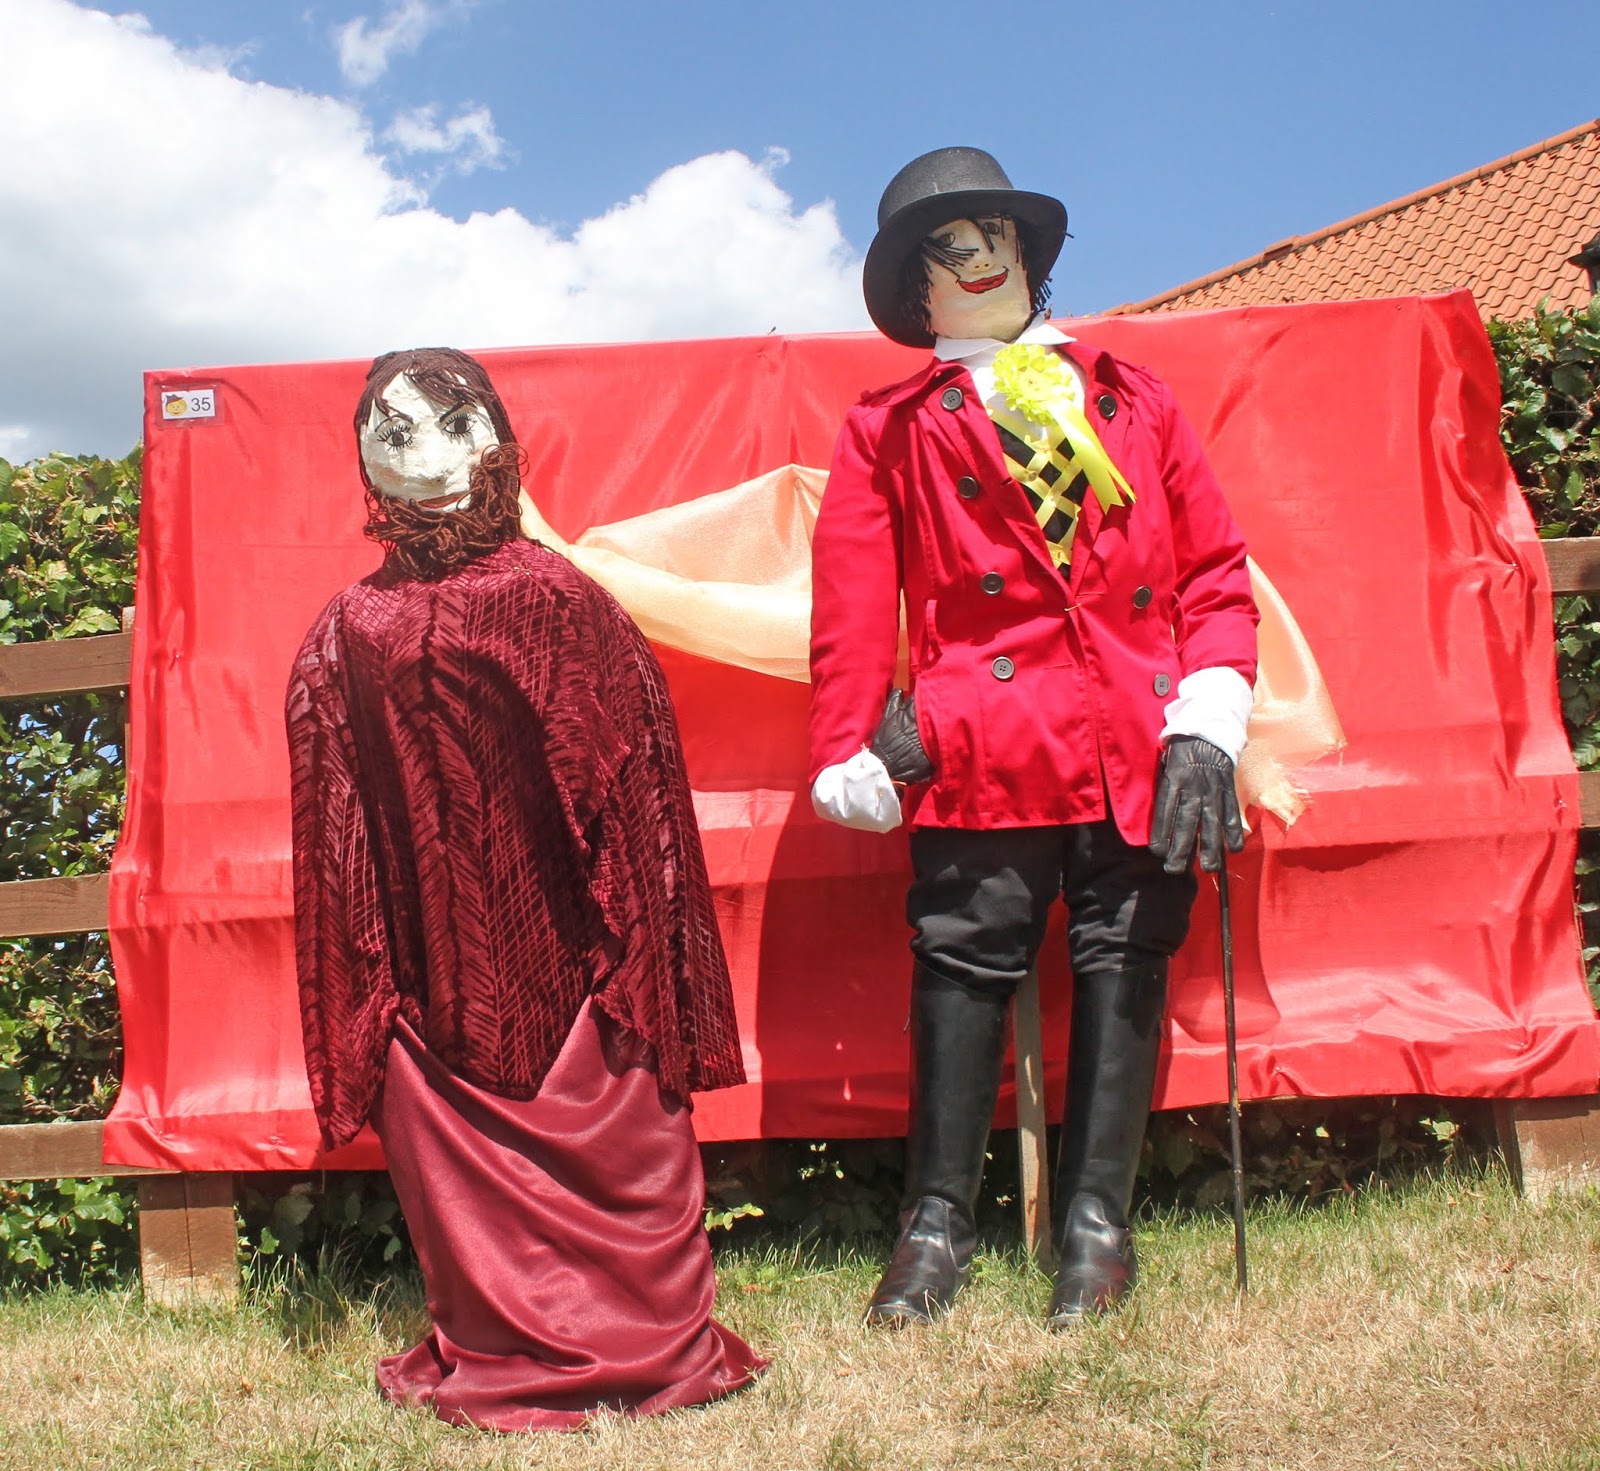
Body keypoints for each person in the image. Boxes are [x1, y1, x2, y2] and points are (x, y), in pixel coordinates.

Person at [808, 149, 1260, 1329]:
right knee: (962, 954)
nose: (980, 257)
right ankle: (935, 1224)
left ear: (1029, 252)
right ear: (915, 288)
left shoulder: (1134, 398)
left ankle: (1097, 1227)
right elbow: (851, 601)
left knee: (1128, 949)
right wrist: (847, 744)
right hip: (977, 737)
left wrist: (1209, 717)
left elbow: (1214, 572)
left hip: (1135, 736)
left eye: (994, 233)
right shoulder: (887, 428)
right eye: (949, 246)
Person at [285, 347, 765, 1430]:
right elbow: (337, 819)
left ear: (498, 439)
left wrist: (628, 963)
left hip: (581, 970)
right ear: (363, 460)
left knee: (620, 1115)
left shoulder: (557, 598)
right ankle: (500, 1334)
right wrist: (380, 984)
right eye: (393, 432)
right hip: (431, 992)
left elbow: (632, 795)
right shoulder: (350, 626)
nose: (425, 453)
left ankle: (640, 1335)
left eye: (453, 424)